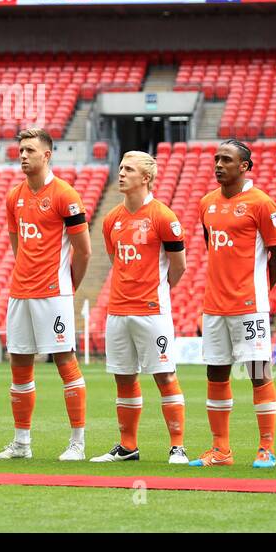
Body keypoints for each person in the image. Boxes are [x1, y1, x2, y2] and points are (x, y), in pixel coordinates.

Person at [0, 128, 92, 461]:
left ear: (46, 155)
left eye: (30, 150)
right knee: (18, 364)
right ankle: (21, 443)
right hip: (20, 292)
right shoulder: (13, 196)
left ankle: (77, 442)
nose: (23, 155)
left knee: (65, 362)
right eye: (20, 149)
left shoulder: (65, 194)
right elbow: (17, 243)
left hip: (53, 293)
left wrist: (67, 287)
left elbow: (84, 251)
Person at [194, 140, 276, 468]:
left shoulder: (262, 204)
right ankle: (221, 450)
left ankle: (266, 448)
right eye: (217, 158)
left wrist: (260, 291)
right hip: (215, 307)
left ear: (244, 166)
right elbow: (212, 250)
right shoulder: (206, 204)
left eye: (227, 160)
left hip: (249, 307)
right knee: (215, 374)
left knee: (259, 373)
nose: (219, 164)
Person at [89, 152, 188, 464]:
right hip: (117, 311)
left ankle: (177, 447)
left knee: (165, 376)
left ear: (145, 178)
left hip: (151, 311)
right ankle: (127, 446)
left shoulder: (163, 216)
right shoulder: (110, 220)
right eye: (120, 168)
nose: (121, 174)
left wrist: (155, 289)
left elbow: (179, 267)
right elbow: (117, 258)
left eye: (128, 170)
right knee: (124, 377)